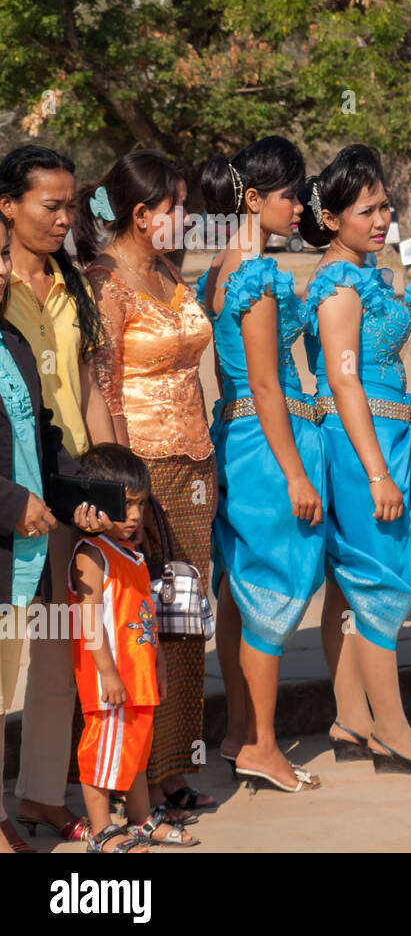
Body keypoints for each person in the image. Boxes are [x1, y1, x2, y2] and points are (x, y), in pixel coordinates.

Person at [75, 151, 218, 820]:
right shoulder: (105, 281)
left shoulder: (167, 269)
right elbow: (104, 390)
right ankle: (133, 776)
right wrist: (130, 494)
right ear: (140, 213)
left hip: (196, 464)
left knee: (187, 622)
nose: (185, 218)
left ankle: (173, 768)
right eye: (176, 206)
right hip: (146, 471)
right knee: (141, 628)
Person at [300, 145, 411, 775]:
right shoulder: (337, 281)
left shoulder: (366, 273)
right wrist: (378, 471)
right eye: (367, 210)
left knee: (349, 586)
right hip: (361, 442)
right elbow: (343, 382)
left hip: (384, 436)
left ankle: (351, 716)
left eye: (386, 205)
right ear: (331, 219)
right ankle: (390, 728)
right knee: (379, 583)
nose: (383, 218)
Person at [197, 135, 327, 792]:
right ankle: (264, 745)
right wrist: (297, 472)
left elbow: (231, 383)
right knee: (274, 591)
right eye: (289, 195)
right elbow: (268, 384)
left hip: (237, 440)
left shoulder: (218, 270)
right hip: (271, 446)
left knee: (237, 590)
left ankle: (238, 730)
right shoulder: (259, 275)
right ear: (253, 199)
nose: (298, 204)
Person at [0, 145, 115, 844]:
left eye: (71, 205)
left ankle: (41, 790)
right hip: (13, 490)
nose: (64, 218)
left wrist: (104, 479)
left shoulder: (72, 280)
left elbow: (89, 386)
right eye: (51, 205)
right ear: (8, 205)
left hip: (64, 477)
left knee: (62, 643)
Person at [69, 443, 198, 849]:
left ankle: (140, 819)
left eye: (141, 504)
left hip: (137, 675)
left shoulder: (131, 554)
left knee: (136, 754)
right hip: (110, 679)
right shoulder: (92, 555)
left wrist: (157, 660)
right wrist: (107, 671)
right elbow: (88, 619)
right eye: (125, 506)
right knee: (102, 754)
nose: (136, 516)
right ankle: (103, 828)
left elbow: (143, 615)